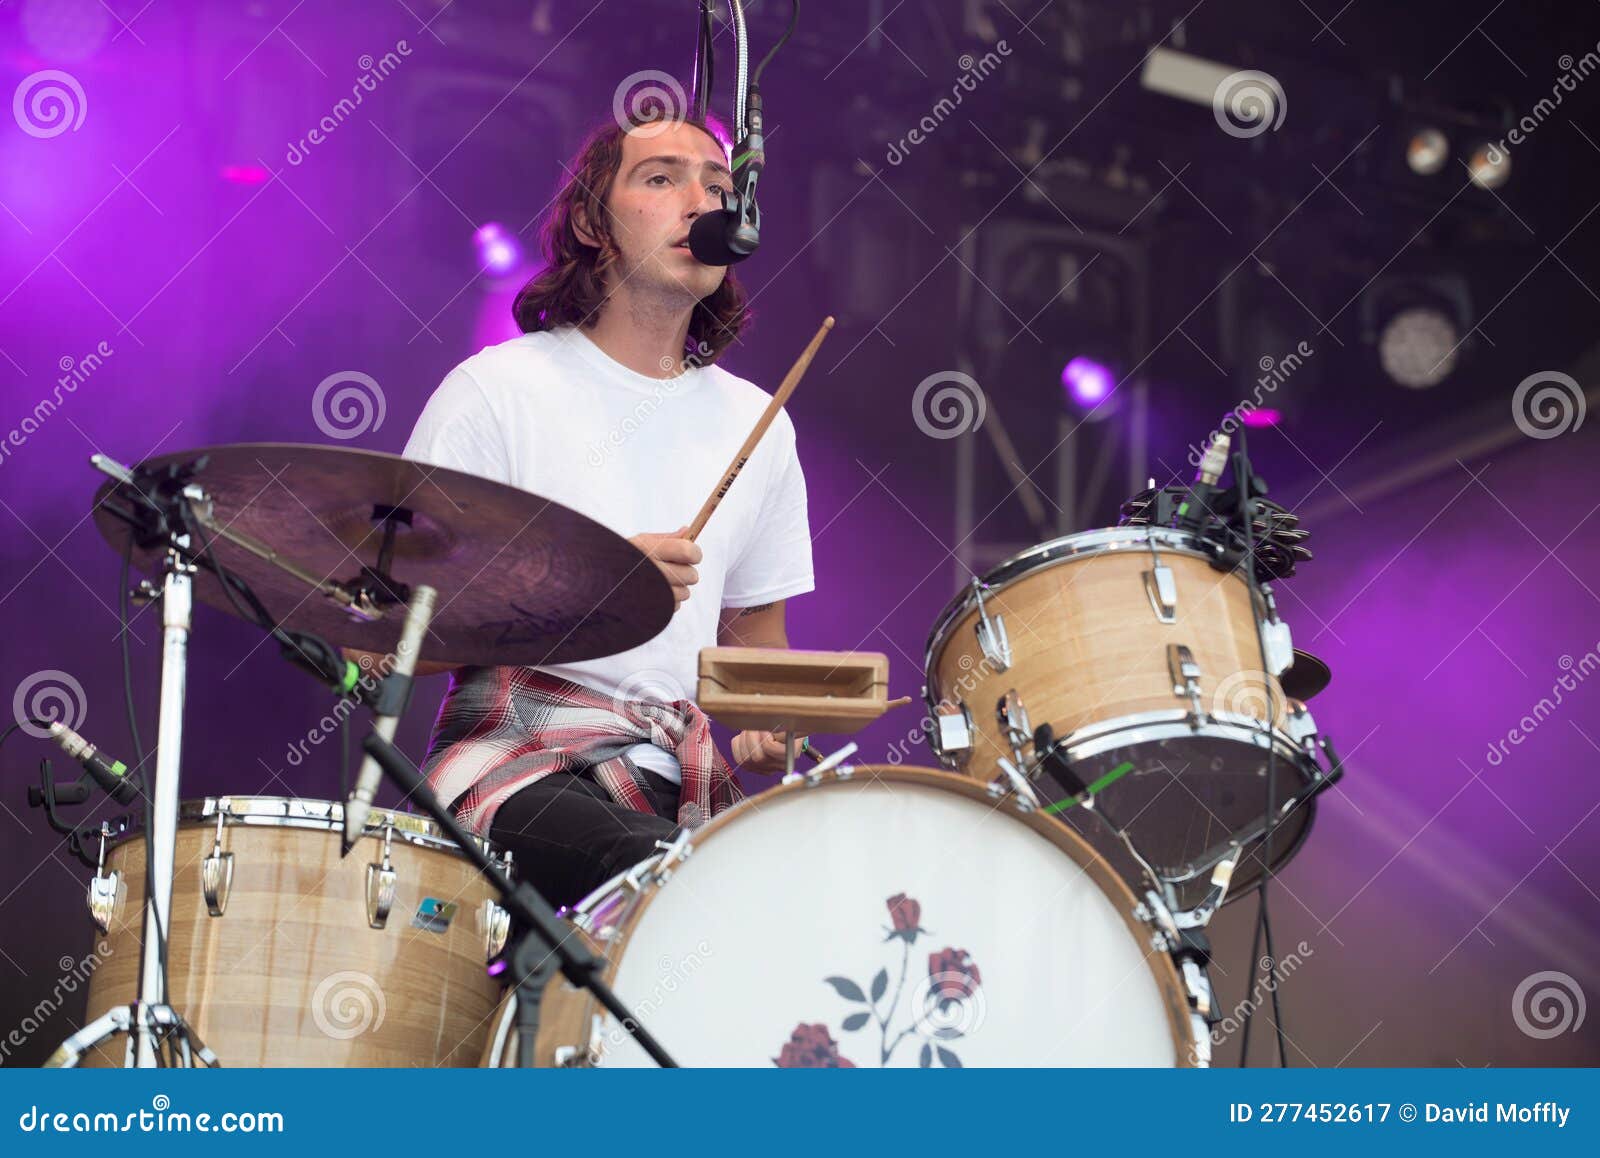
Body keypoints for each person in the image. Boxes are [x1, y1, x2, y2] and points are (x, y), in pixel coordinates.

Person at [400, 110, 814, 909]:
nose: (703, 202)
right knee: (682, 884)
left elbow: (760, 652)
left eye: (720, 187)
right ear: (592, 222)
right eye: (661, 179)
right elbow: (402, 638)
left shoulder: (759, 423)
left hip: (674, 779)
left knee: (793, 911)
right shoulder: (496, 391)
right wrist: (580, 582)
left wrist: (771, 724)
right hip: (513, 759)